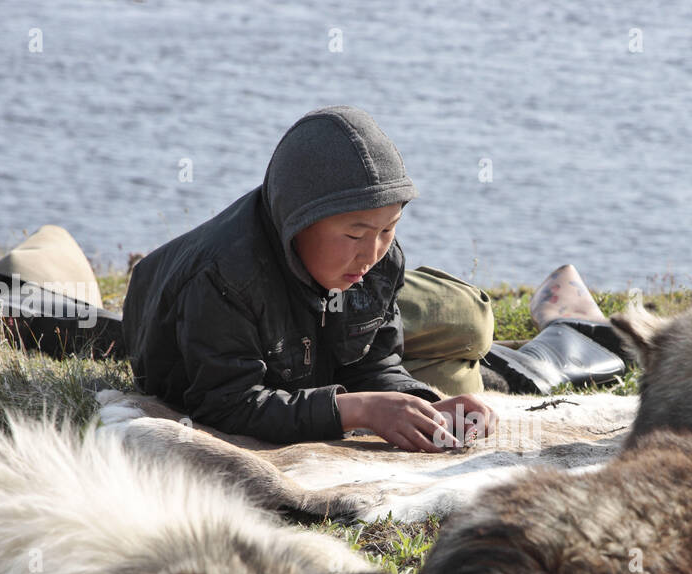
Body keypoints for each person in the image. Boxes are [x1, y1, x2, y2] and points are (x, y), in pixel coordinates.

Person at [123, 105, 496, 453]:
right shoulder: (224, 278)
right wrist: (363, 409)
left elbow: (372, 363)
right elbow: (228, 405)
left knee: (461, 371)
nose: (371, 255)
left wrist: (422, 406)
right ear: (297, 222)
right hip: (192, 335)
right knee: (467, 332)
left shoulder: (380, 261)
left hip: (305, 354)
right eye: (354, 235)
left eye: (388, 230)